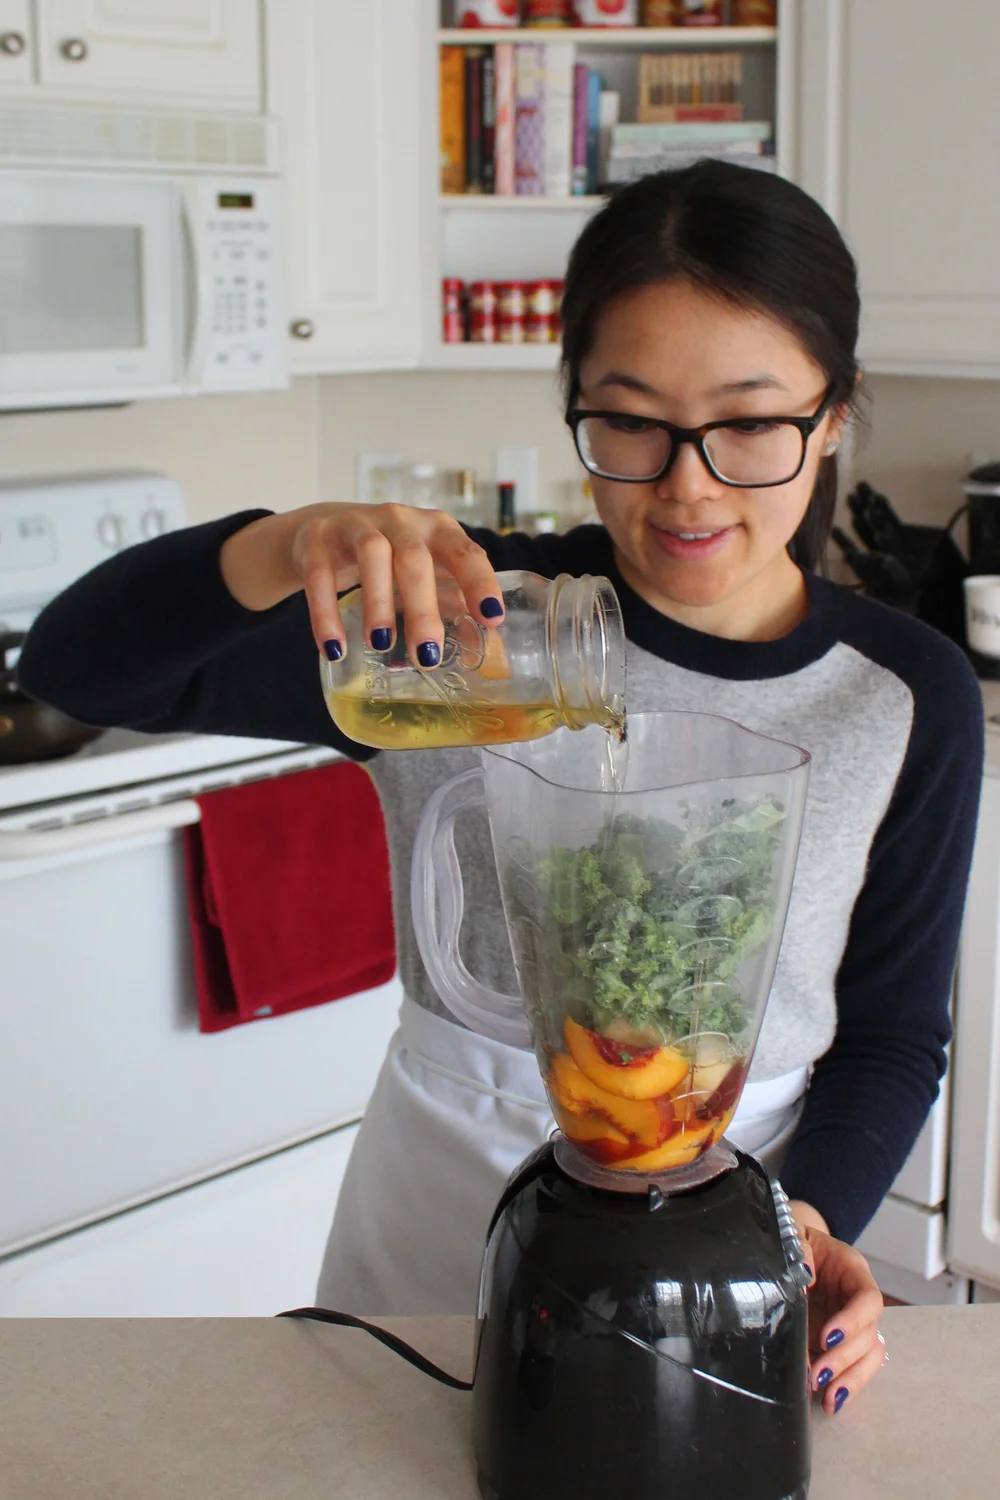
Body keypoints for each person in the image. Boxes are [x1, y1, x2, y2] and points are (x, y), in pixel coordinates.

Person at [18, 162, 982, 1416]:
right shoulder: (465, 630)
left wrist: (809, 1227)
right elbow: (79, 668)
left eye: (750, 423)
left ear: (836, 412)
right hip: (446, 1185)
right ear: (576, 404)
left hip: (732, 1212)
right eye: (629, 420)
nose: (687, 483)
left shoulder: (900, 693)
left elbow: (895, 1034)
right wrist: (287, 542)